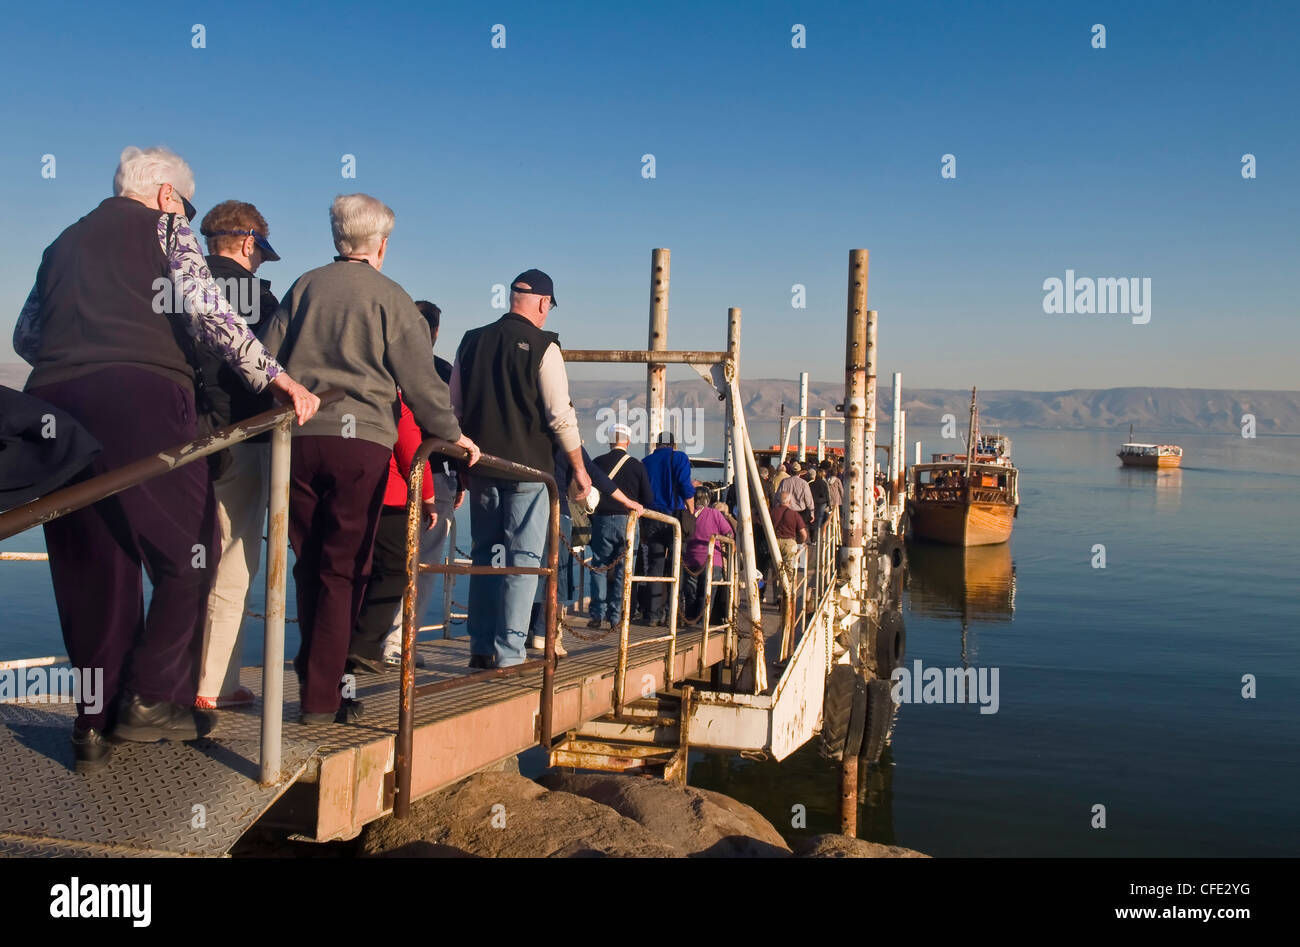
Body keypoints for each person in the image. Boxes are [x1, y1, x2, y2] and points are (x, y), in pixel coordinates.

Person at [13, 146, 319, 771]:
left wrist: (87, 340)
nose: (186, 212)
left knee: (95, 565)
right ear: (165, 195)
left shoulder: (60, 244)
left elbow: (26, 335)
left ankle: (93, 725)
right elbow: (208, 311)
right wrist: (274, 378)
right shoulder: (165, 225)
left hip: (51, 406)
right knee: (190, 549)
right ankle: (152, 699)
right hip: (140, 398)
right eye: (186, 202)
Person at [261, 194, 476, 724]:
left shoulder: (304, 286)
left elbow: (266, 357)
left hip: (300, 437)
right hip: (361, 446)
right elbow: (422, 384)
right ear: (381, 245)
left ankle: (314, 667)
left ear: (338, 238)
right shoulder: (391, 297)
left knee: (309, 563)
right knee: (344, 569)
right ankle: (321, 697)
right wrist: (454, 436)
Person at [451, 269, 590, 668]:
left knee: (485, 557)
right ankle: (509, 654)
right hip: (530, 475)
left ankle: (479, 648)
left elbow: (454, 408)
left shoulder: (470, 341)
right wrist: (579, 469)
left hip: (481, 468)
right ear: (544, 303)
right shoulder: (546, 346)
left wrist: (461, 460)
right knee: (523, 561)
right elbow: (560, 416)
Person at [193, 199, 284, 710]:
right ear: (250, 243)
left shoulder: (176, 287)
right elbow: (274, 368)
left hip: (179, 438)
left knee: (183, 561)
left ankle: (168, 674)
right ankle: (214, 685)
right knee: (233, 561)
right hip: (241, 439)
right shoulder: (258, 298)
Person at [349, 301, 465, 671]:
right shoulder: (440, 372)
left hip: (375, 477)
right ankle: (398, 643)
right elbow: (451, 425)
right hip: (429, 476)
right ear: (432, 332)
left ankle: (363, 638)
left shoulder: (378, 367)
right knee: (421, 565)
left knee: (373, 562)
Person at [526, 441, 643, 654]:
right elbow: (597, 476)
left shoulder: (529, 430)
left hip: (527, 507)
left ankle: (524, 630)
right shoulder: (566, 440)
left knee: (530, 571)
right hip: (556, 509)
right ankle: (546, 633)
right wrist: (627, 501)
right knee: (556, 574)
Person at [588, 423, 653, 630]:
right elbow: (648, 497)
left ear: (609, 441)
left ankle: (597, 614)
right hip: (628, 521)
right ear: (628, 441)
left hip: (601, 519)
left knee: (598, 567)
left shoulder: (597, 462)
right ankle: (616, 617)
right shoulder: (637, 465)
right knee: (623, 571)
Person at [639, 431, 695, 625]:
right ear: (674, 444)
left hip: (651, 518)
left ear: (656, 444)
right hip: (674, 518)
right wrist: (692, 511)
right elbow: (685, 486)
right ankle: (673, 614)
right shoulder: (679, 457)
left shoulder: (645, 462)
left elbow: (641, 493)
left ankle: (653, 615)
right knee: (676, 565)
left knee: (655, 566)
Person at [681, 487, 733, 625]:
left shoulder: (686, 513)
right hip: (712, 559)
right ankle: (702, 624)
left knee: (691, 594)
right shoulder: (714, 514)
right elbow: (729, 533)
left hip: (690, 560)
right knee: (707, 595)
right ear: (708, 499)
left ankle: (690, 621)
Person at [772, 493, 809, 610]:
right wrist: (800, 543)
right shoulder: (794, 514)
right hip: (789, 543)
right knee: (789, 571)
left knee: (776, 571)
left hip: (774, 542)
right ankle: (787, 596)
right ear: (789, 501)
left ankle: (777, 596)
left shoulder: (772, 512)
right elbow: (803, 534)